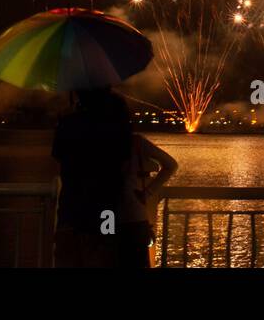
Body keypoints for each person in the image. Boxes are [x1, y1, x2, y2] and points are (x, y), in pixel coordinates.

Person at [50, 86, 132, 267]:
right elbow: (125, 162)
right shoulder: (117, 126)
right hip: (107, 209)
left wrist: (66, 119)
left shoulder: (68, 123)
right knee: (105, 254)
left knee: (68, 257)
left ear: (79, 97)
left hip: (71, 210)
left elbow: (57, 157)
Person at [117, 134, 179, 267]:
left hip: (108, 211)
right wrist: (148, 193)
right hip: (134, 213)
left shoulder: (96, 140)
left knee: (108, 250)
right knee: (138, 258)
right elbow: (171, 165)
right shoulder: (135, 141)